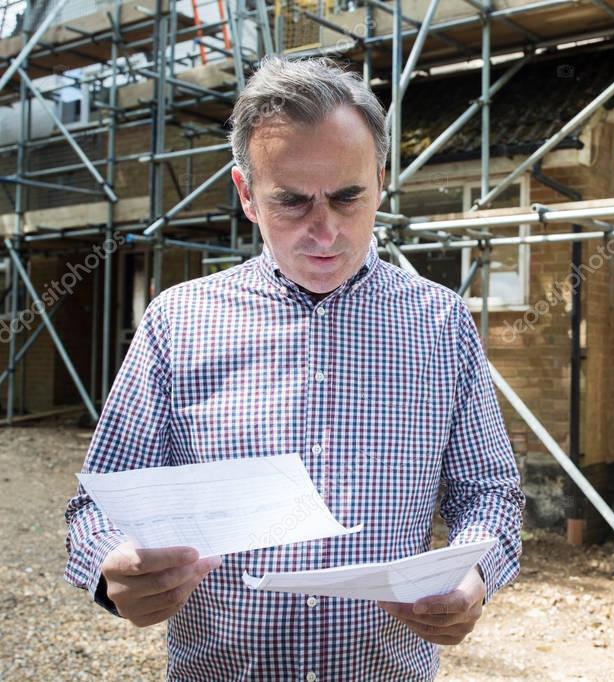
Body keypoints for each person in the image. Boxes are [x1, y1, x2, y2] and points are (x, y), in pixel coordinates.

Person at [64, 55, 524, 680]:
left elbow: (490, 491)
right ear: (246, 194)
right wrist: (110, 566)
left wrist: (474, 574)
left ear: (380, 181)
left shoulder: (440, 323)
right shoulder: (179, 321)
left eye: (347, 197)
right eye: (291, 202)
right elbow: (96, 504)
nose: (324, 232)